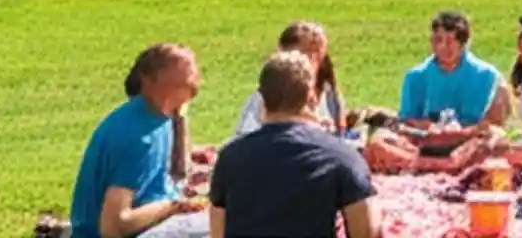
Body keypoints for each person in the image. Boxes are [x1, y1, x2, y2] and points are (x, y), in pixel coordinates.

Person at [210, 51, 380, 238]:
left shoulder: (230, 158)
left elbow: (218, 230)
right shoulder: (341, 157)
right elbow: (367, 231)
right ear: (311, 96)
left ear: (262, 96)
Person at [70, 44, 205, 238]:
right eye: (181, 82)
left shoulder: (159, 116)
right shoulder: (136, 138)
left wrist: (181, 121)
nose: (193, 81)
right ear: (148, 81)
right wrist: (170, 207)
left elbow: (179, 173)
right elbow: (114, 226)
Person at [234, 21, 343, 137]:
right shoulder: (265, 97)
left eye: (303, 56)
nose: (293, 62)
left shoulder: (329, 93)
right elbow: (243, 139)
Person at [399, 10, 506, 127]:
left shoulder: (487, 75)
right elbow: (407, 120)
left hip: (472, 139)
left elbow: (490, 123)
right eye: (438, 40)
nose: (442, 47)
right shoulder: (415, 77)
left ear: (463, 44)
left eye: (449, 42)